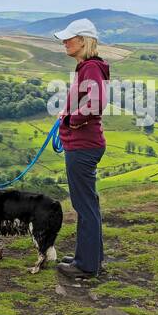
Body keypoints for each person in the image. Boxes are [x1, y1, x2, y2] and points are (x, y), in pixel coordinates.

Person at [53, 17, 108, 280]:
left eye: (69, 38)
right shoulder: (87, 67)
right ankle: (89, 258)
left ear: (83, 41)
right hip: (85, 144)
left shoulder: (90, 68)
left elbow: (96, 103)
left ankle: (86, 266)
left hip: (83, 146)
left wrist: (70, 120)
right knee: (88, 204)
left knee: (84, 206)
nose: (64, 42)